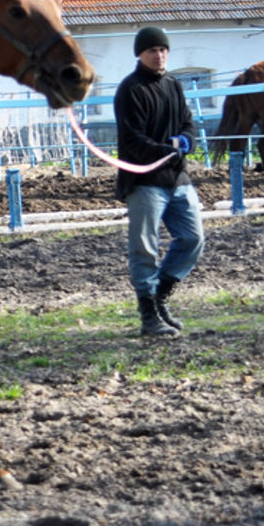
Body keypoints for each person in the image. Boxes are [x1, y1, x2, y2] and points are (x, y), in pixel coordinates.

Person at [114, 25, 205, 336]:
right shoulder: (130, 90)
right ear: (140, 54)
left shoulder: (174, 86)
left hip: (177, 178)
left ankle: (161, 295)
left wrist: (186, 141)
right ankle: (148, 315)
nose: (159, 55)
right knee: (145, 247)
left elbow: (188, 124)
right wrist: (166, 150)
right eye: (153, 50)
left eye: (163, 49)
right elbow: (131, 139)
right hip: (143, 180)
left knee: (193, 239)